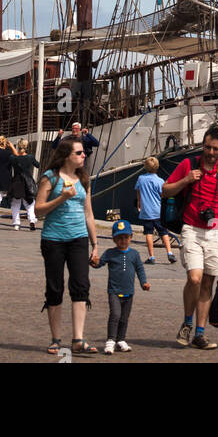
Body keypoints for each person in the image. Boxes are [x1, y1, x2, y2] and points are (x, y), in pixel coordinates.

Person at [162, 125, 218, 350]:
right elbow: (165, 190)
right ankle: (187, 322)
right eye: (207, 147)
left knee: (207, 282)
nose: (210, 152)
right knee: (194, 278)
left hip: (217, 230)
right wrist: (186, 180)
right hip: (192, 229)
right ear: (202, 145)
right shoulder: (188, 165)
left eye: (215, 149)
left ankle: (200, 333)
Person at [35, 135, 99, 356]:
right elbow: (38, 210)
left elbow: (89, 213)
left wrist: (95, 244)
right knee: (55, 288)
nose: (84, 155)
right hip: (53, 239)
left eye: (83, 152)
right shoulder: (50, 178)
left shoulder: (83, 179)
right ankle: (55, 339)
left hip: (78, 239)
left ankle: (78, 339)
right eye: (79, 153)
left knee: (81, 286)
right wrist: (61, 198)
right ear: (66, 156)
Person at [93, 218, 150, 354]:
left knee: (124, 318)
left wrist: (143, 282)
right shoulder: (110, 253)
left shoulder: (134, 254)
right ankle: (110, 340)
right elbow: (99, 263)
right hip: (114, 291)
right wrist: (94, 262)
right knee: (115, 315)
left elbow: (140, 269)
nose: (123, 240)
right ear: (114, 239)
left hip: (129, 291)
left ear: (131, 237)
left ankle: (121, 340)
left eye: (125, 237)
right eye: (119, 238)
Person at [135, 156, 176, 265]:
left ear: (145, 166)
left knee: (148, 233)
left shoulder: (141, 179)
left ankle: (151, 257)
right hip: (158, 211)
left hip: (146, 211)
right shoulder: (160, 181)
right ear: (157, 167)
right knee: (164, 232)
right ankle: (170, 253)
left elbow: (138, 192)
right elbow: (163, 195)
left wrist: (139, 203)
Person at [10, 139, 39, 231]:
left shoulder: (13, 158)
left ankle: (16, 223)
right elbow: (37, 165)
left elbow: (15, 158)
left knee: (15, 203)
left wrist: (11, 147)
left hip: (17, 181)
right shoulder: (30, 157)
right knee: (30, 202)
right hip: (28, 181)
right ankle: (32, 220)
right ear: (26, 147)